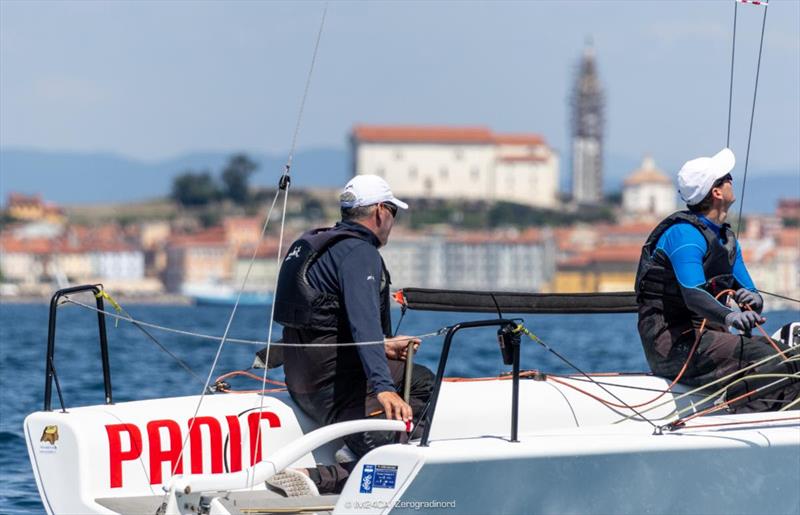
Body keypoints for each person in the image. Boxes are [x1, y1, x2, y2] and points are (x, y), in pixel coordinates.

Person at [266, 174, 434, 496]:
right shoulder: (359, 253)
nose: (392, 223)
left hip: (302, 384)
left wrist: (382, 348)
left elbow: (326, 326)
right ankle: (328, 474)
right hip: (335, 391)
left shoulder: (316, 245)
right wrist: (384, 388)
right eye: (394, 214)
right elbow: (364, 323)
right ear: (380, 212)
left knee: (419, 378)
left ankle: (353, 451)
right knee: (426, 388)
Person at [635, 148, 798, 413]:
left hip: (710, 341)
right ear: (716, 192)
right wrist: (730, 317)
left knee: (790, 357)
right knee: (771, 359)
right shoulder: (683, 235)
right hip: (673, 347)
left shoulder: (726, 239)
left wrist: (753, 301)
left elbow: (749, 291)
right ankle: (741, 422)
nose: (732, 180)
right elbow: (693, 294)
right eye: (727, 177)